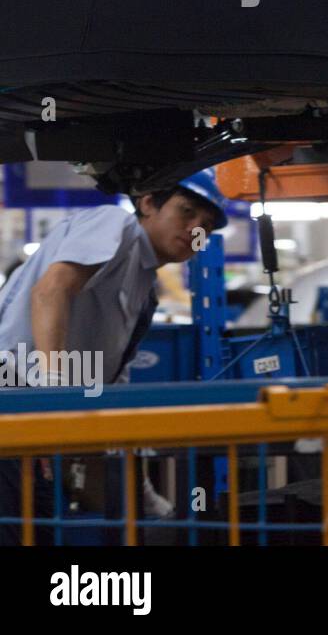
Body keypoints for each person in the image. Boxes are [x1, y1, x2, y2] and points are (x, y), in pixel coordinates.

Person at [0, 169, 227, 544]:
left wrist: (146, 500)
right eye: (187, 212)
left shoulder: (144, 292)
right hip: (13, 396)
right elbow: (51, 291)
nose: (195, 231)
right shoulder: (116, 224)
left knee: (31, 532)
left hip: (32, 421)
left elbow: (105, 396)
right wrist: (55, 387)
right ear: (149, 203)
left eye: (206, 226)